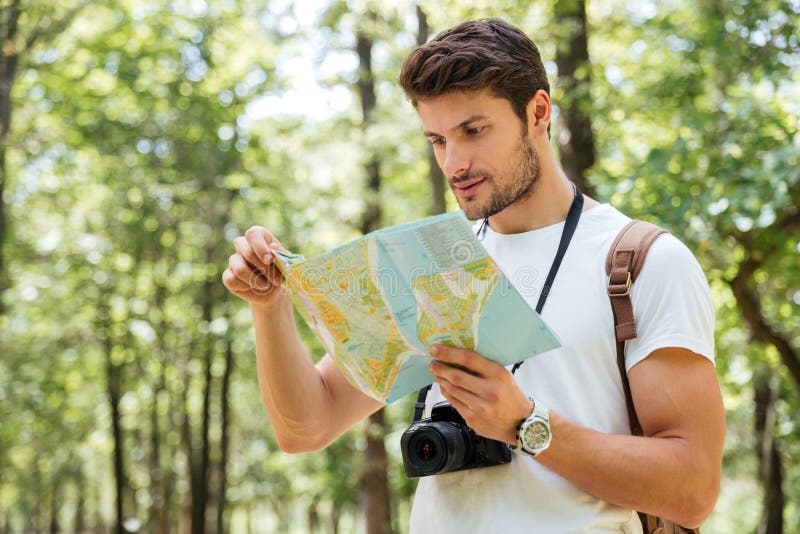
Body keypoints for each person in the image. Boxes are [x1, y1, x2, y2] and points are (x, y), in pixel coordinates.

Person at [221, 18, 725, 534]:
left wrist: (526, 424)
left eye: (474, 131)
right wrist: (269, 307)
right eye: (437, 139)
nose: (454, 163)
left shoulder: (642, 261)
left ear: (537, 113)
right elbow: (308, 426)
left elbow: (693, 490)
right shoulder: (431, 265)